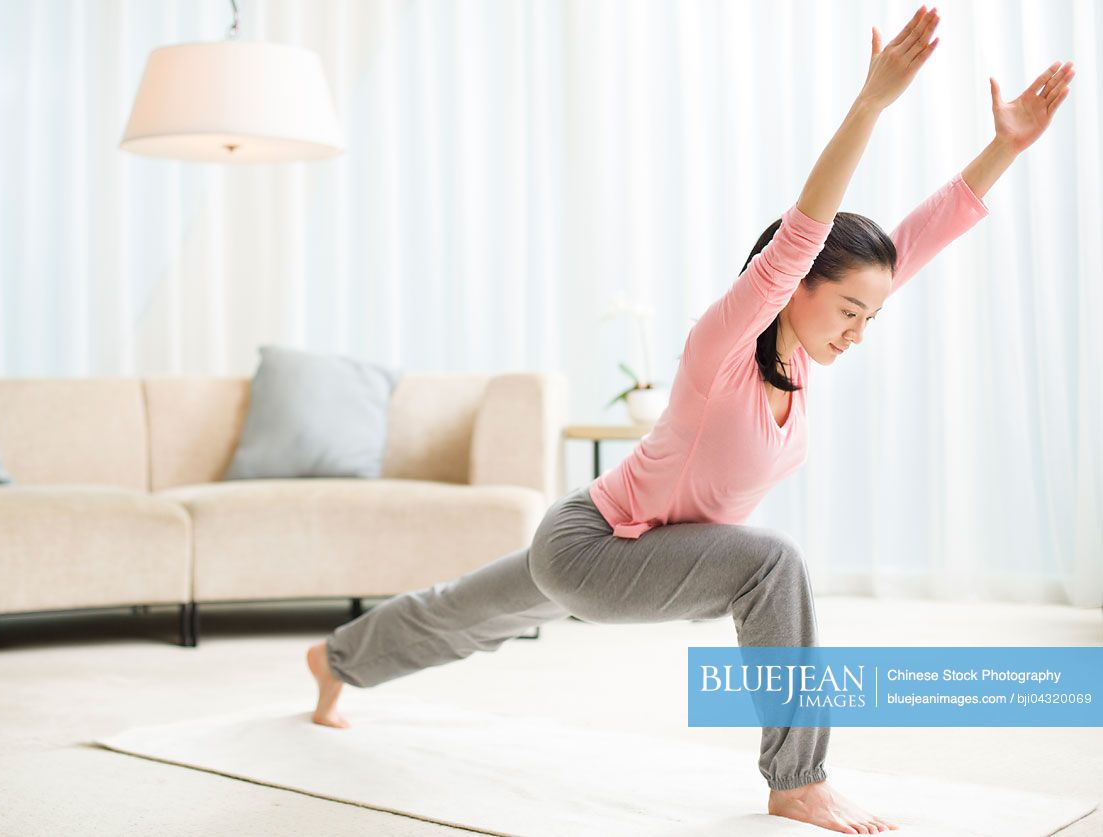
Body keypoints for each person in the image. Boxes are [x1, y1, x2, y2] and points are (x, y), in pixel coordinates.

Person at [305, 6, 1074, 834]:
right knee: (769, 564)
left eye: (869, 319)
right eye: (847, 310)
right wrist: (869, 105)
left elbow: (917, 238)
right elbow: (802, 233)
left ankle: (334, 656)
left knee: (464, 612)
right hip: (593, 544)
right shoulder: (722, 350)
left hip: (619, 540)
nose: (857, 333)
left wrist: (1005, 146)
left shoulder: (802, 366)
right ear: (794, 288)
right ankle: (797, 778)